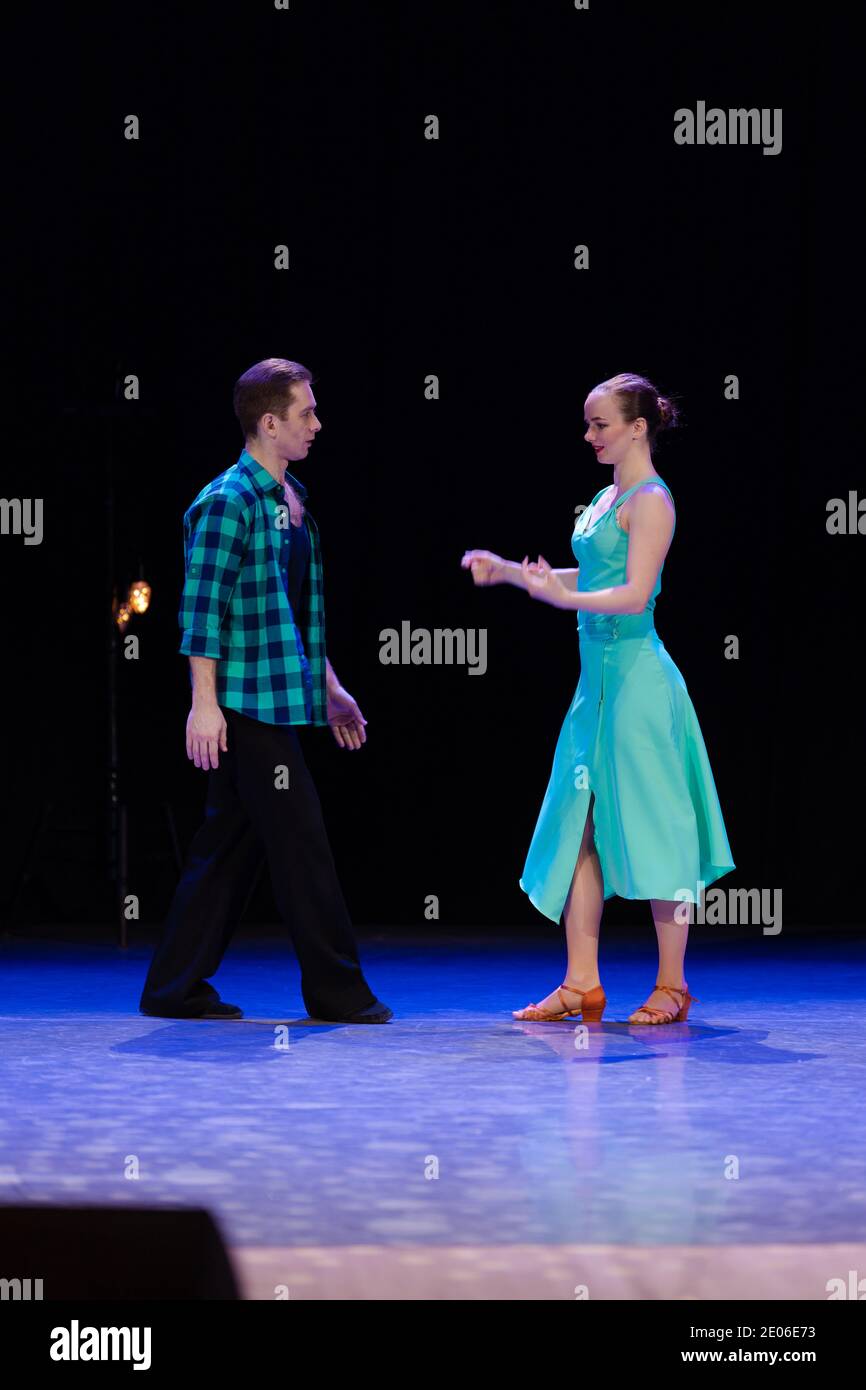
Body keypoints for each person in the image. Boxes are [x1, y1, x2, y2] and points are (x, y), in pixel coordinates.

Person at [461, 372, 734, 1026]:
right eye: (588, 424)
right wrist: (511, 574)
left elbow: (636, 592)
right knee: (577, 826)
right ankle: (581, 981)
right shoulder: (604, 498)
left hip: (639, 684)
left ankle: (673, 985)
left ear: (637, 427)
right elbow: (593, 575)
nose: (589, 435)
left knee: (659, 827)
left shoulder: (653, 501)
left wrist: (564, 599)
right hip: (596, 687)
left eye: (600, 424)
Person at [139, 357, 391, 1023]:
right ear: (270, 422)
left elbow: (293, 608)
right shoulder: (228, 502)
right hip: (244, 705)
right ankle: (337, 992)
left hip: (279, 695)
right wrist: (203, 703)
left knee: (227, 844)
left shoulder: (287, 499)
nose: (317, 423)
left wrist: (329, 686)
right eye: (306, 412)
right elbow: (200, 612)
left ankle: (172, 986)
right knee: (301, 839)